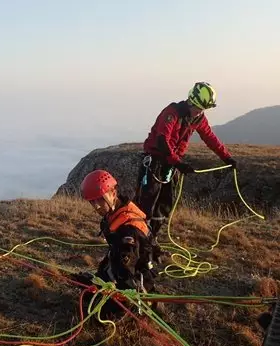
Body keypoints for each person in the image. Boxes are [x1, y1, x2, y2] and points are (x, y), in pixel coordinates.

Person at [135, 82, 238, 259]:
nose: (200, 112)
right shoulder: (172, 112)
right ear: (191, 101)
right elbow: (162, 141)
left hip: (170, 165)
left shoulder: (198, 118)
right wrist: (178, 163)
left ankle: (151, 242)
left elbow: (210, 138)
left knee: (164, 206)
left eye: (203, 109)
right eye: (198, 108)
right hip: (155, 163)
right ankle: (136, 242)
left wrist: (226, 157)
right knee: (146, 205)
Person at [72, 170, 157, 315]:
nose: (96, 206)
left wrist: (120, 295)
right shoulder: (115, 212)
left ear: (113, 192)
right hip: (119, 264)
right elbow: (115, 254)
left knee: (101, 314)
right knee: (88, 292)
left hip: (136, 276)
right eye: (92, 201)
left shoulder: (129, 229)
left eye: (100, 199)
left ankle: (144, 304)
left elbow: (126, 269)